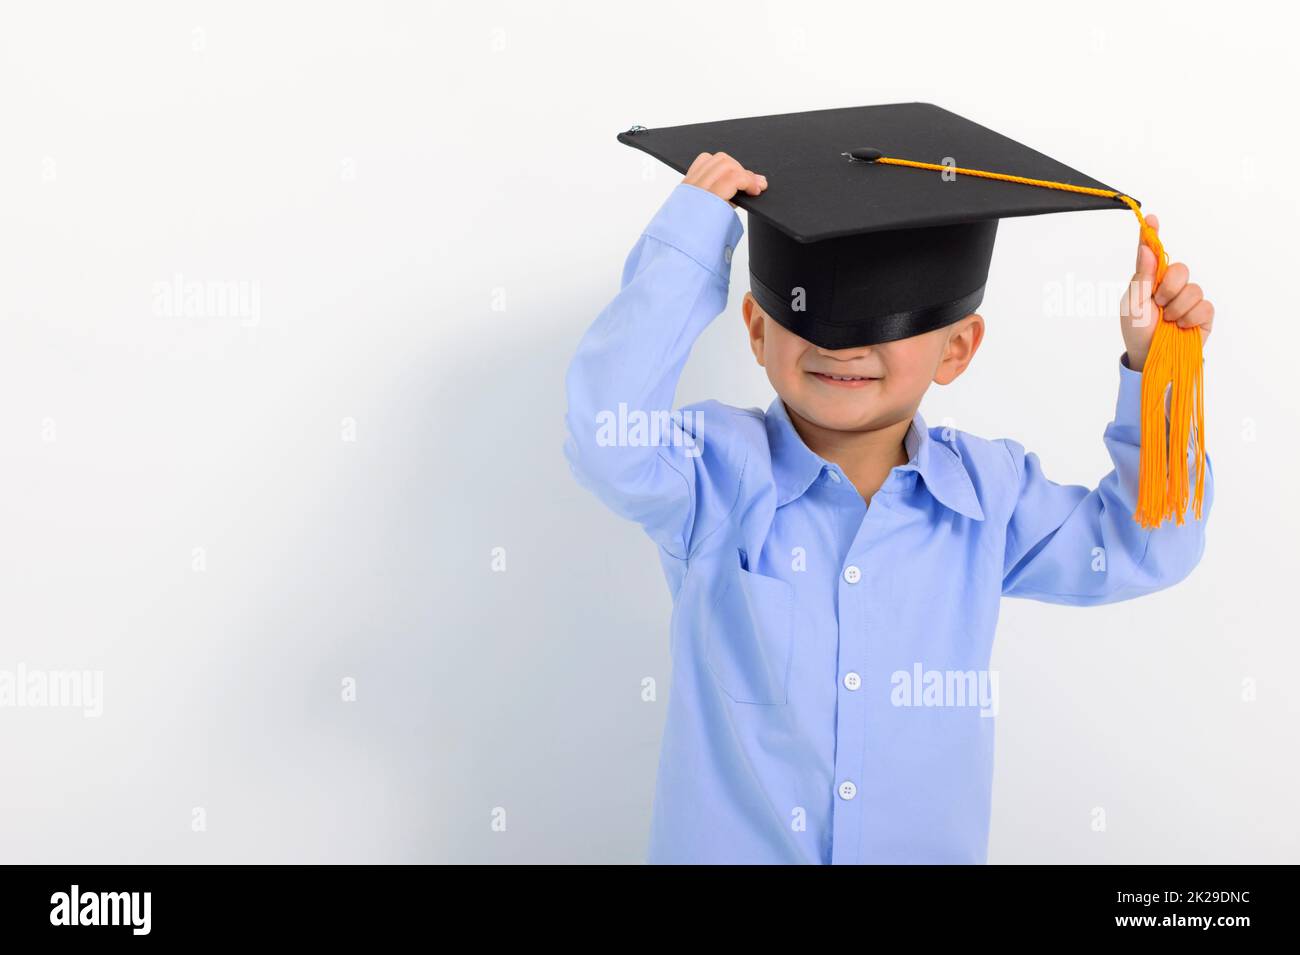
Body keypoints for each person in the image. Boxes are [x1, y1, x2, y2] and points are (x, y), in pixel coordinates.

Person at [563, 104, 1215, 864]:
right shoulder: (710, 472)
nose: (845, 343)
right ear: (757, 328)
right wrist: (690, 243)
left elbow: (1150, 545)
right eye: (808, 314)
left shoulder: (988, 497)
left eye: (888, 318)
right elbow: (604, 438)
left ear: (958, 348)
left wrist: (1156, 371)